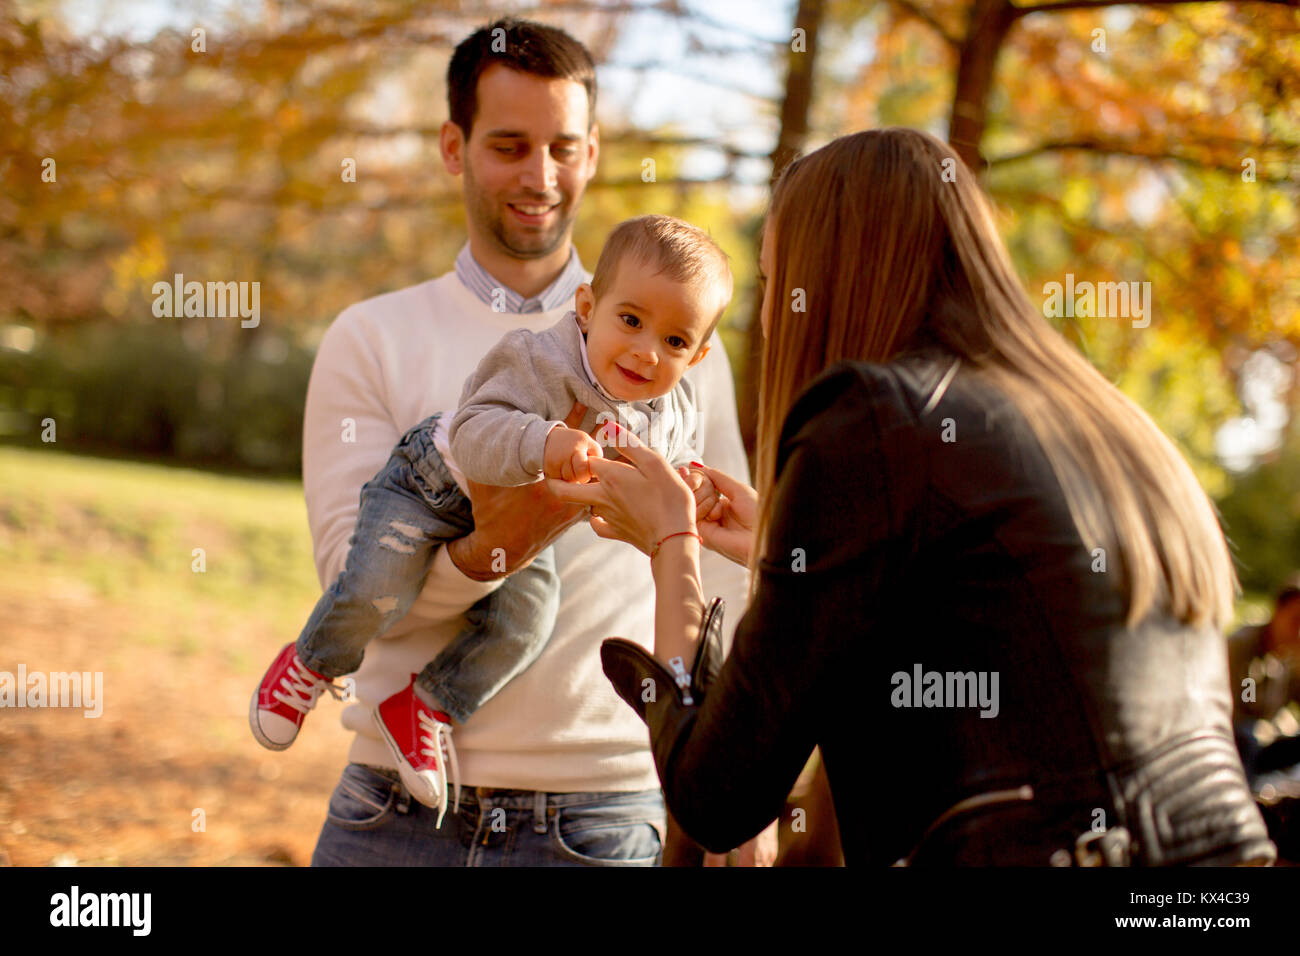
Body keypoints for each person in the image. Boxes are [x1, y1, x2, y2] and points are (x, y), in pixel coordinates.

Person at [555, 127, 1277, 866]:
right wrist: (785, 543)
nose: (770, 319)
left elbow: (718, 796)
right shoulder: (1108, 424)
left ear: (825, 280)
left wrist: (672, 542)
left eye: (776, 283)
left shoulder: (867, 416)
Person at [297, 18, 761, 866]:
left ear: (592, 154)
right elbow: (350, 585)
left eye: (564, 147)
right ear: (453, 145)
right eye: (510, 145)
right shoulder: (369, 337)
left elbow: (721, 563)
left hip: (603, 814)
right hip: (389, 812)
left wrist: (745, 783)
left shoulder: (685, 347)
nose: (541, 176)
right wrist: (499, 542)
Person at [250, 215, 730, 827]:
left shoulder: (673, 403)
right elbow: (477, 432)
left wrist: (692, 484)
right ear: (587, 306)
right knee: (377, 587)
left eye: (675, 342)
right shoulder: (540, 355)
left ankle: (423, 707)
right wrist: (545, 439)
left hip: (527, 525)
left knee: (525, 622)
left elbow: (677, 463)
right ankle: (312, 660)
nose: (646, 351)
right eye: (631, 321)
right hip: (432, 487)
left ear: (700, 354)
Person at [1229, 576, 1300, 782]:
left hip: (1267, 740)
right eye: (1295, 621)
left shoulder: (1289, 654)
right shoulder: (1244, 647)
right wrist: (1278, 727)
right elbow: (1247, 703)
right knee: (1248, 736)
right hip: (1239, 743)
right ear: (1278, 611)